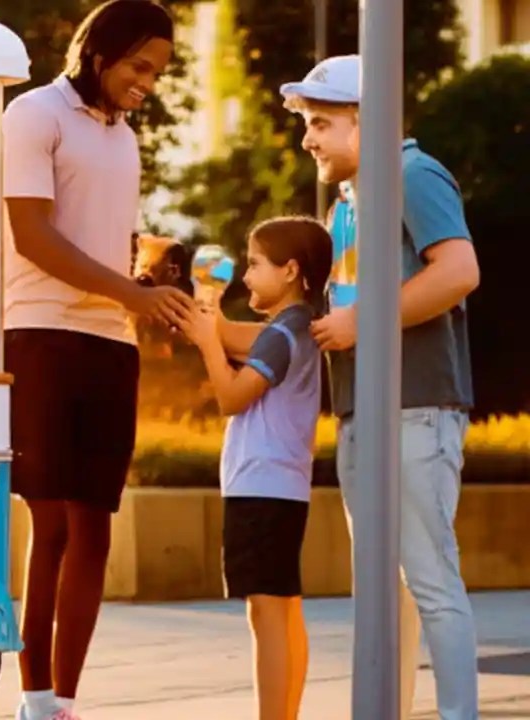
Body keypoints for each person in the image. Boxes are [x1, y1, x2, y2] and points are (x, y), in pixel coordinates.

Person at [220, 54, 481, 720]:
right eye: (307, 122)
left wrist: (363, 321)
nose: (308, 138)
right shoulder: (347, 208)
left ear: (367, 120)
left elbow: (458, 271)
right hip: (364, 412)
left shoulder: (410, 174)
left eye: (322, 122)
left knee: (430, 583)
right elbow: (314, 325)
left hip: (418, 408)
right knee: (381, 594)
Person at [0, 2, 197, 718]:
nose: (148, 82)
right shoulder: (33, 114)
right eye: (140, 66)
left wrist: (154, 290)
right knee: (49, 523)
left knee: (95, 526)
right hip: (42, 336)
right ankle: (34, 699)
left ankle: (65, 704)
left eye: (159, 71)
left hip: (113, 343)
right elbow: (32, 236)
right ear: (99, 54)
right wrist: (127, 292)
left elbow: (108, 239)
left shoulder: (125, 137)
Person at [179, 217, 332, 720]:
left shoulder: (279, 337)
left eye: (255, 265)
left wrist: (206, 342)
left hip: (260, 487)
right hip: (283, 487)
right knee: (284, 609)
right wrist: (206, 298)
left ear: (290, 270)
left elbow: (230, 397)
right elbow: (222, 331)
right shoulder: (297, 328)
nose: (246, 276)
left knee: (265, 612)